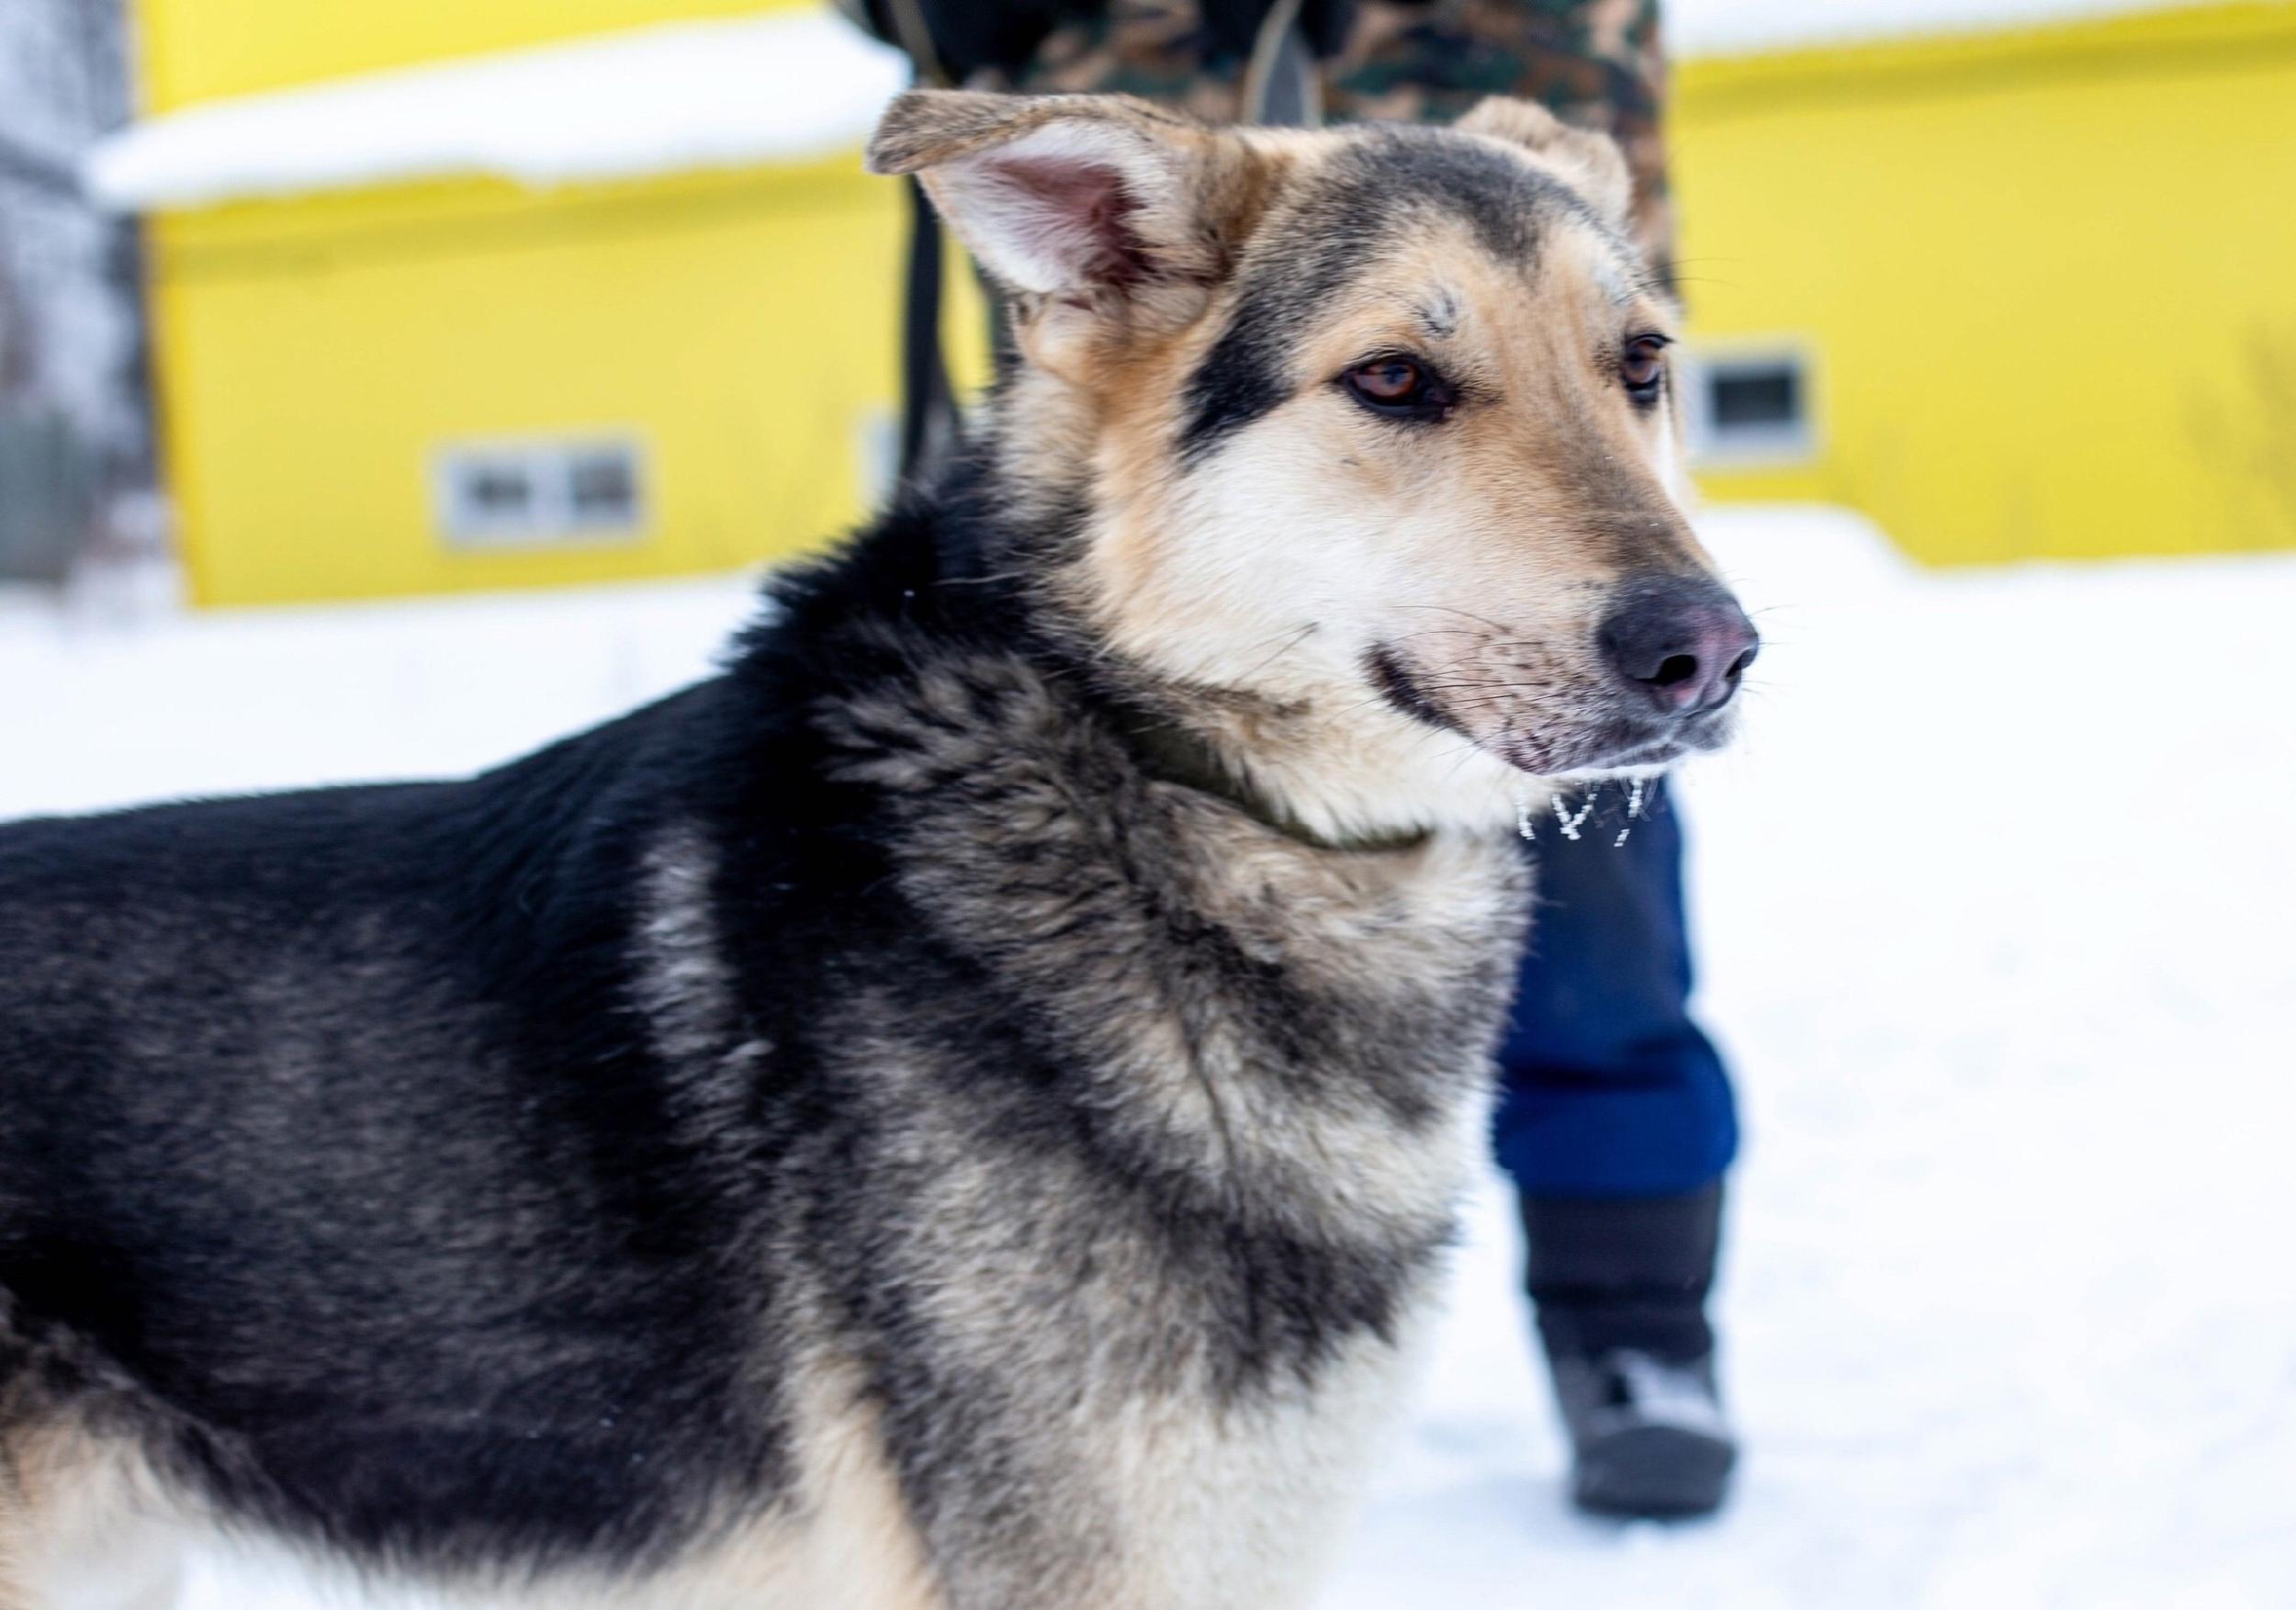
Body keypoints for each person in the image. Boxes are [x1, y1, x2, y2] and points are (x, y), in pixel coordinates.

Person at [842, 0, 1739, 1520]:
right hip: (1155, 195)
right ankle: (1064, 1355)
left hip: (1501, 112)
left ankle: (1635, 1327)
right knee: (1039, 848)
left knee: (1595, 913)